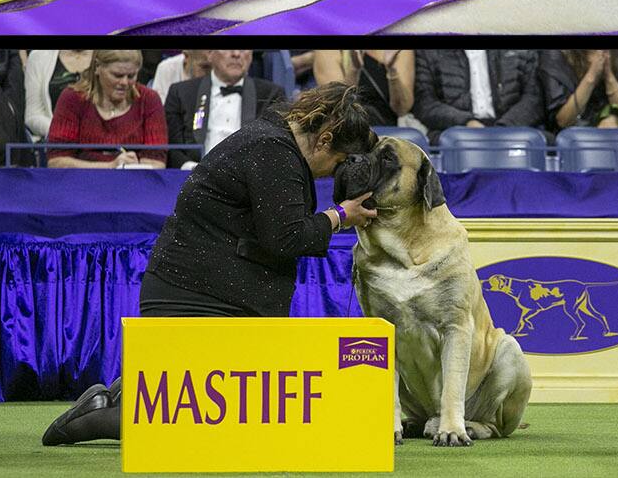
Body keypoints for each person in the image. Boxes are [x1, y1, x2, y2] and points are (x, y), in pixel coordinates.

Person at [40, 82, 380, 445]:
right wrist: (340, 215)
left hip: (210, 293)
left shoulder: (271, 137)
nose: (331, 173)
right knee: (207, 424)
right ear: (325, 140)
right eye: (338, 162)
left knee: (237, 419)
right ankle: (95, 418)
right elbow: (286, 238)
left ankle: (136, 388)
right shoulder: (273, 150)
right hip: (196, 298)